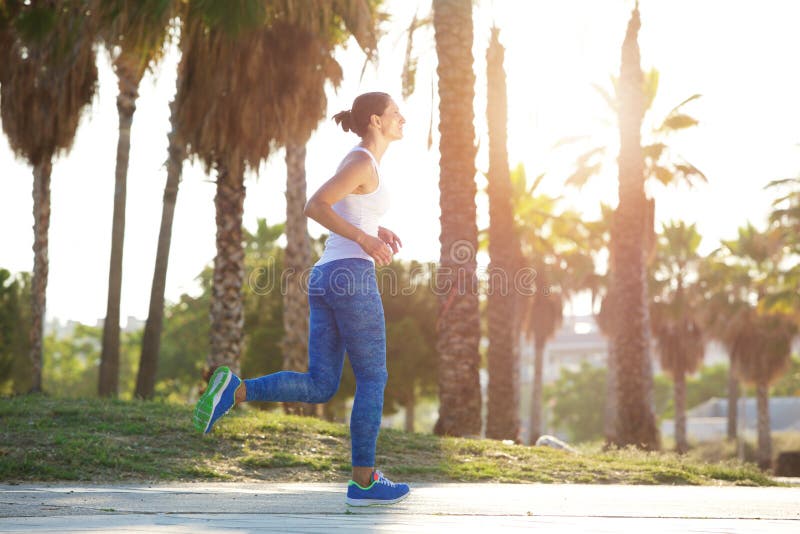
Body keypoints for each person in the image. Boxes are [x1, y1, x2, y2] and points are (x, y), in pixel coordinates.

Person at [192, 92, 410, 507]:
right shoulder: (362, 159)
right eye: (397, 113)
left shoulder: (363, 162)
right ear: (376, 121)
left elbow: (346, 209)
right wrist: (364, 238)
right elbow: (316, 205)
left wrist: (374, 229)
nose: (404, 119)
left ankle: (235, 391)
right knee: (372, 378)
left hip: (328, 276)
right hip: (351, 277)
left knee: (320, 383)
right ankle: (364, 482)